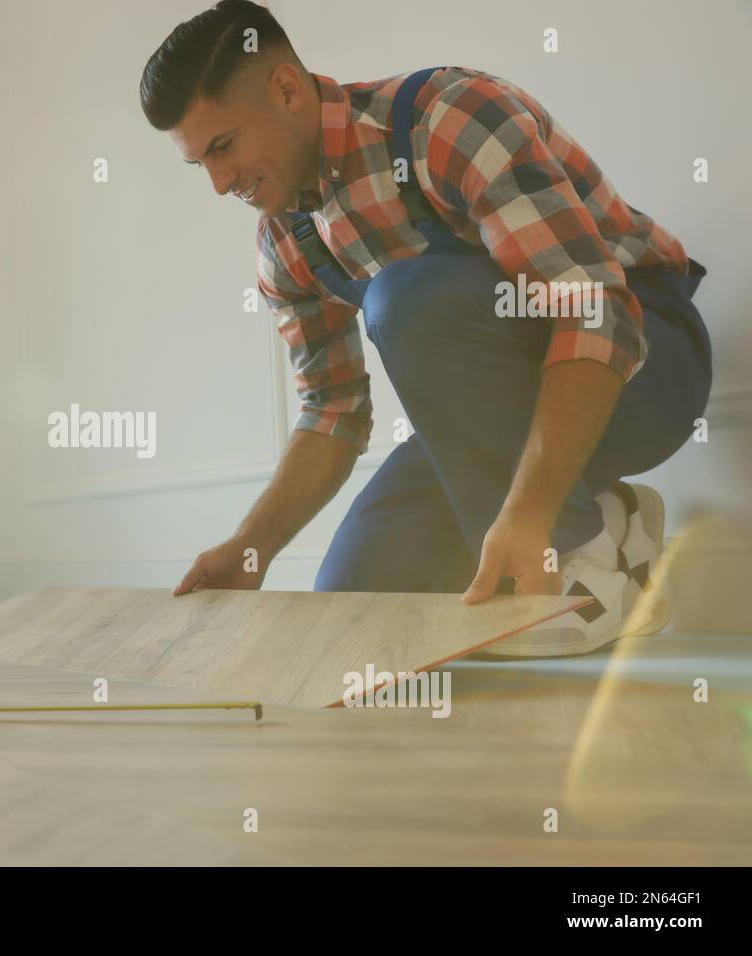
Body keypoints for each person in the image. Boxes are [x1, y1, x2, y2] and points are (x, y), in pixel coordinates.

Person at [142, 0, 711, 656]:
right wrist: (250, 549)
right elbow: (334, 412)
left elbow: (595, 313)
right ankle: (615, 521)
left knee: (407, 298)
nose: (218, 184)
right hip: (495, 417)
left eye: (223, 147)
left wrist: (531, 516)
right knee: (356, 611)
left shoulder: (447, 117)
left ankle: (582, 548)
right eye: (199, 164)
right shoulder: (285, 242)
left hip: (648, 361)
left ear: (288, 89)